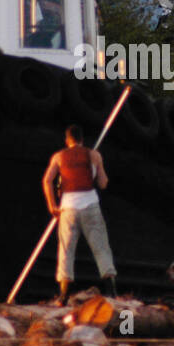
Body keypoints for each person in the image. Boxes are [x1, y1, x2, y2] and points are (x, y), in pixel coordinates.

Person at [42, 124, 116, 303]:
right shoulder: (94, 155)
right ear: (82, 139)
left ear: (67, 140)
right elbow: (103, 183)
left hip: (68, 208)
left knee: (66, 250)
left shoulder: (58, 157)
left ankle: (64, 295)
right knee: (100, 247)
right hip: (90, 205)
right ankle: (111, 291)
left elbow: (47, 181)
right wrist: (98, 170)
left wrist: (52, 205)